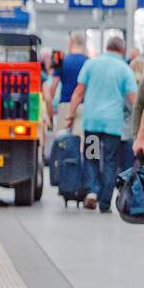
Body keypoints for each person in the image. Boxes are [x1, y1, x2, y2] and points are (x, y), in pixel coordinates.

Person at [66, 34, 137, 213]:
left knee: (92, 156)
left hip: (92, 122)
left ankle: (92, 191)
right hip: (113, 124)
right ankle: (105, 202)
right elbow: (133, 99)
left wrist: (70, 114)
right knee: (111, 161)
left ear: (107, 47)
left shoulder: (91, 64)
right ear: (121, 50)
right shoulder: (124, 69)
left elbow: (78, 92)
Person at [45, 32, 88, 135]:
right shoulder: (88, 62)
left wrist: (49, 109)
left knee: (62, 140)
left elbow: (53, 87)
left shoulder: (62, 61)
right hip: (83, 106)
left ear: (71, 42)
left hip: (65, 105)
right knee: (80, 140)